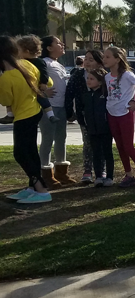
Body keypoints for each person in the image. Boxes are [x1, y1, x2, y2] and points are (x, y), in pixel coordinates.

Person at [0, 36, 52, 204]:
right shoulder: (28, 65)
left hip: (23, 116)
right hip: (34, 111)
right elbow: (48, 81)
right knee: (30, 151)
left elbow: (6, 102)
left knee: (21, 153)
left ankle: (42, 190)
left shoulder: (6, 78)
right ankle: (33, 188)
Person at [104, 46, 135, 188]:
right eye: (104, 57)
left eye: (107, 57)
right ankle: (129, 174)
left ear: (117, 59)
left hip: (125, 114)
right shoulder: (107, 77)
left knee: (128, 146)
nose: (104, 60)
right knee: (119, 146)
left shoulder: (127, 75)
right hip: (111, 113)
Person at [39, 35, 74, 187]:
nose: (62, 45)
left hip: (61, 107)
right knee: (48, 139)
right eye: (58, 43)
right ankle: (46, 174)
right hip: (49, 108)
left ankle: (61, 172)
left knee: (61, 138)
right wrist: (42, 93)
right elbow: (32, 81)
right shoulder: (43, 63)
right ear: (48, 48)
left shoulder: (58, 64)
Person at [65, 49, 104, 184]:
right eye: (86, 59)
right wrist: (69, 112)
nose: (87, 62)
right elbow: (69, 93)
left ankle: (101, 170)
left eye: (91, 60)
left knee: (101, 143)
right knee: (87, 143)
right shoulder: (77, 75)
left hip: (101, 116)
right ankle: (87, 171)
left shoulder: (104, 76)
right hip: (84, 115)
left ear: (99, 63)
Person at [79, 67, 114, 188]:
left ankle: (109, 176)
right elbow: (81, 111)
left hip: (105, 129)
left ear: (100, 81)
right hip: (92, 129)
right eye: (87, 78)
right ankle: (98, 176)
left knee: (107, 152)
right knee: (96, 153)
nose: (88, 80)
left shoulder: (105, 94)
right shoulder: (86, 95)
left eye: (92, 79)